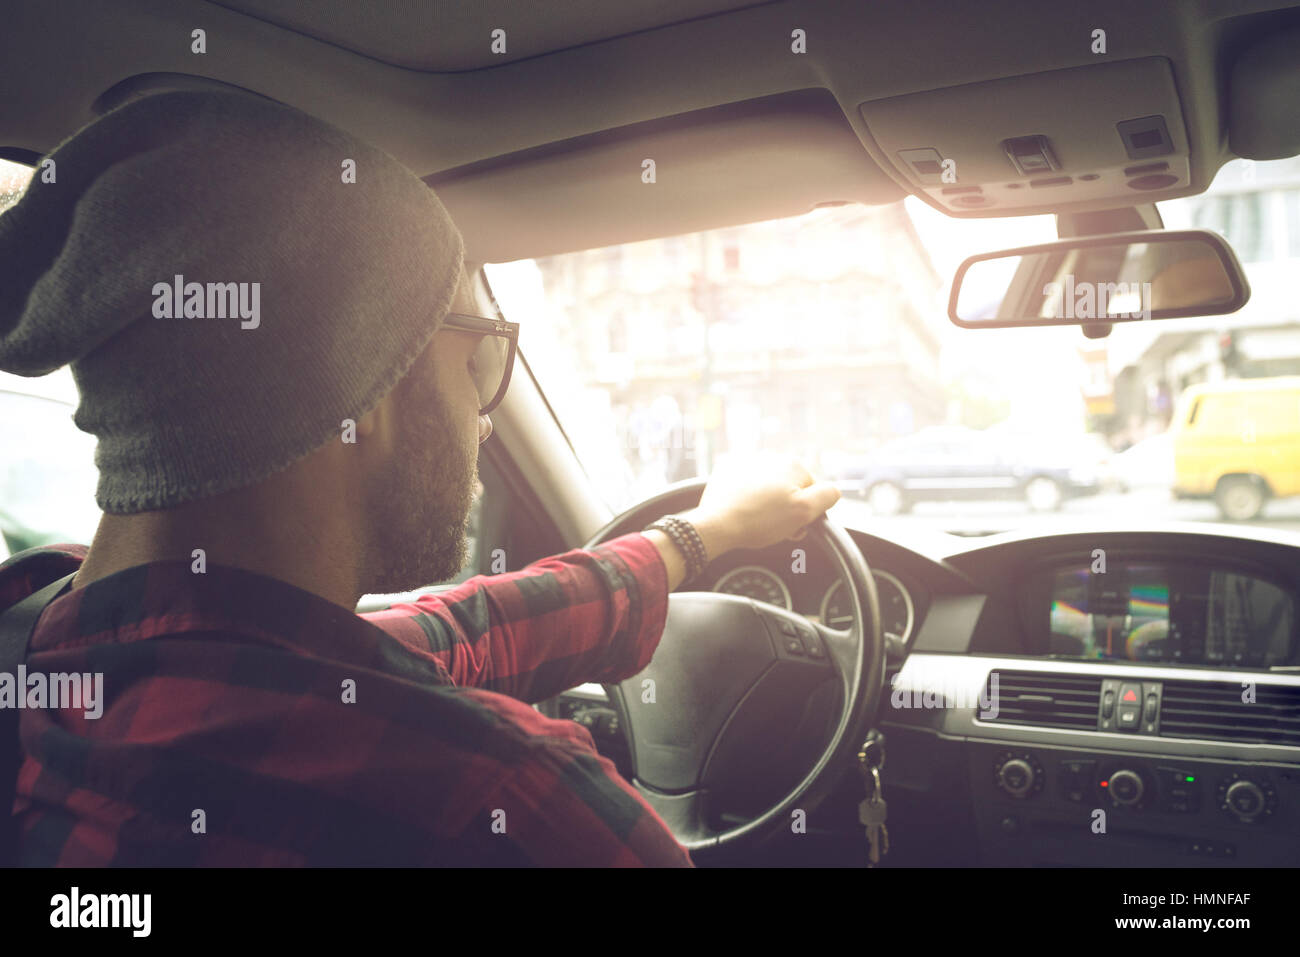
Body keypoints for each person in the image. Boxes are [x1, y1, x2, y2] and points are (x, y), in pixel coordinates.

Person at [0, 89, 840, 866]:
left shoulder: (42, 634)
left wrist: (703, 536)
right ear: (361, 387)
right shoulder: (497, 801)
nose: (481, 418)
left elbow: (455, 632)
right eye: (474, 359)